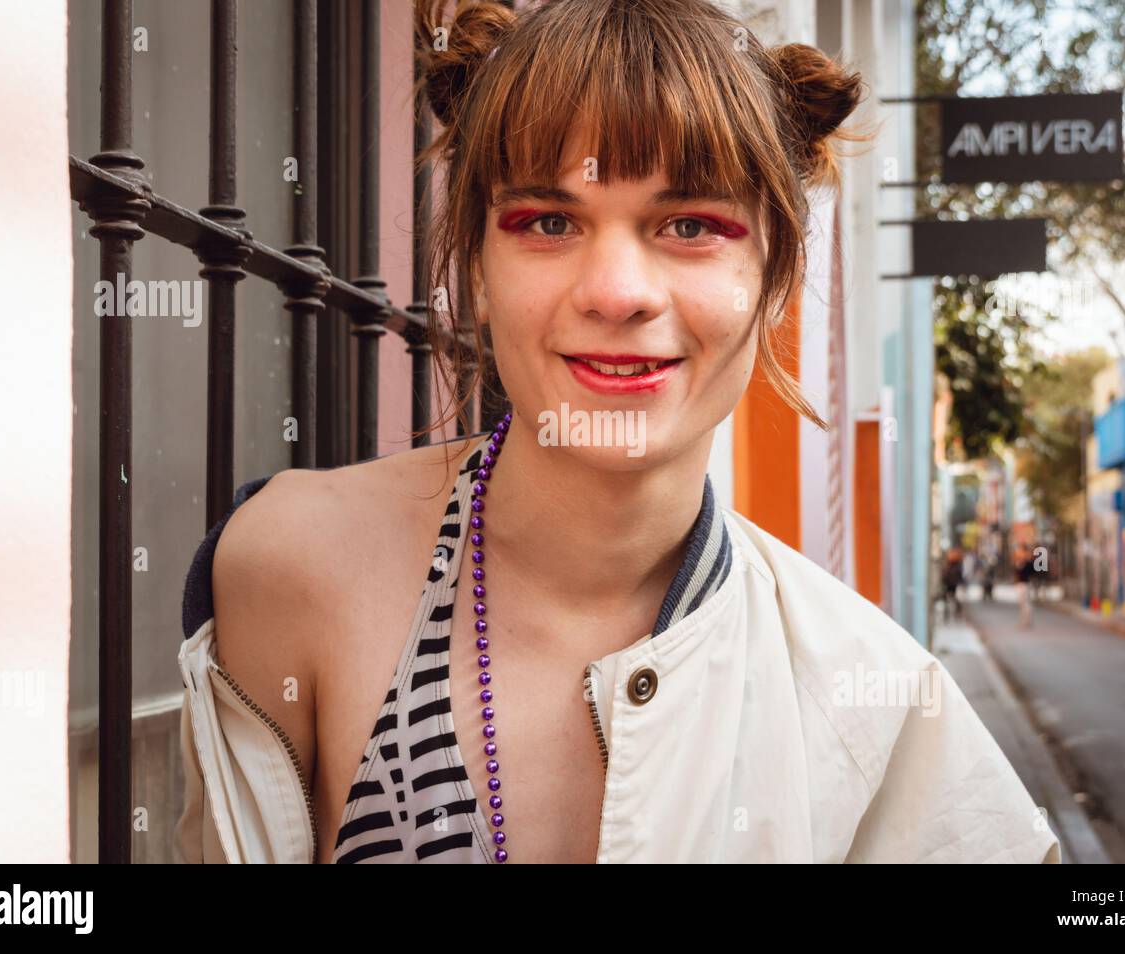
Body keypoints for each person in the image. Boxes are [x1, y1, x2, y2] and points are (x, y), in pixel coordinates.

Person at [173, 0, 1058, 865]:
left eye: (690, 226)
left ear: (776, 279)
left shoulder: (878, 712)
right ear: (478, 268)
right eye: (548, 222)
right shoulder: (292, 567)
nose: (616, 290)